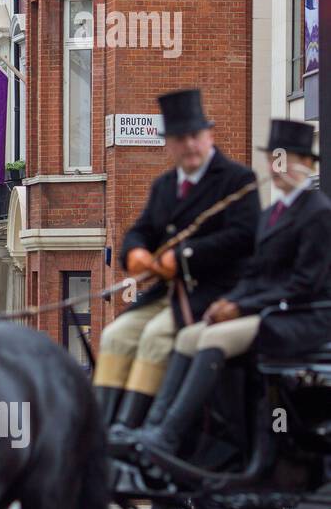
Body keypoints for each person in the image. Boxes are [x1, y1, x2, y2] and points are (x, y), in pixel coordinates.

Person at [135, 120, 331, 458]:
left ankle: (169, 434)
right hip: (266, 309)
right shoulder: (271, 215)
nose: (277, 167)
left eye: (285, 158)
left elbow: (304, 284)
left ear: (308, 165)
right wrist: (229, 301)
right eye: (273, 158)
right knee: (188, 336)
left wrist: (242, 309)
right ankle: (155, 426)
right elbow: (254, 274)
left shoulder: (318, 213)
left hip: (298, 317)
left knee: (215, 338)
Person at [97, 89, 260, 434]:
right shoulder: (165, 186)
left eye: (194, 137)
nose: (189, 146)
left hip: (214, 292)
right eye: (179, 139)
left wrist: (184, 257)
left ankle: (133, 430)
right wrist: (136, 252)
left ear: (208, 136)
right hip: (168, 295)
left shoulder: (238, 180)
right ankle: (100, 428)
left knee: (155, 337)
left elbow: (244, 236)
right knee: (115, 334)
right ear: (168, 144)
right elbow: (140, 231)